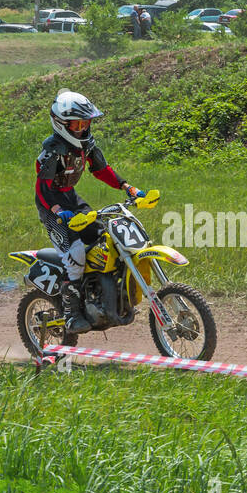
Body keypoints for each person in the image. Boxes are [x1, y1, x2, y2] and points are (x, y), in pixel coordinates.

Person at [35, 90, 146, 334]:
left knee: (105, 238)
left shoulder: (87, 145)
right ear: (62, 124)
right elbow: (43, 189)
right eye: (77, 123)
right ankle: (71, 314)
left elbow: (101, 169)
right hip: (51, 206)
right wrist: (58, 211)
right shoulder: (53, 150)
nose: (83, 128)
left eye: (86, 123)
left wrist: (127, 187)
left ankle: (104, 294)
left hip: (70, 197)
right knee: (75, 254)